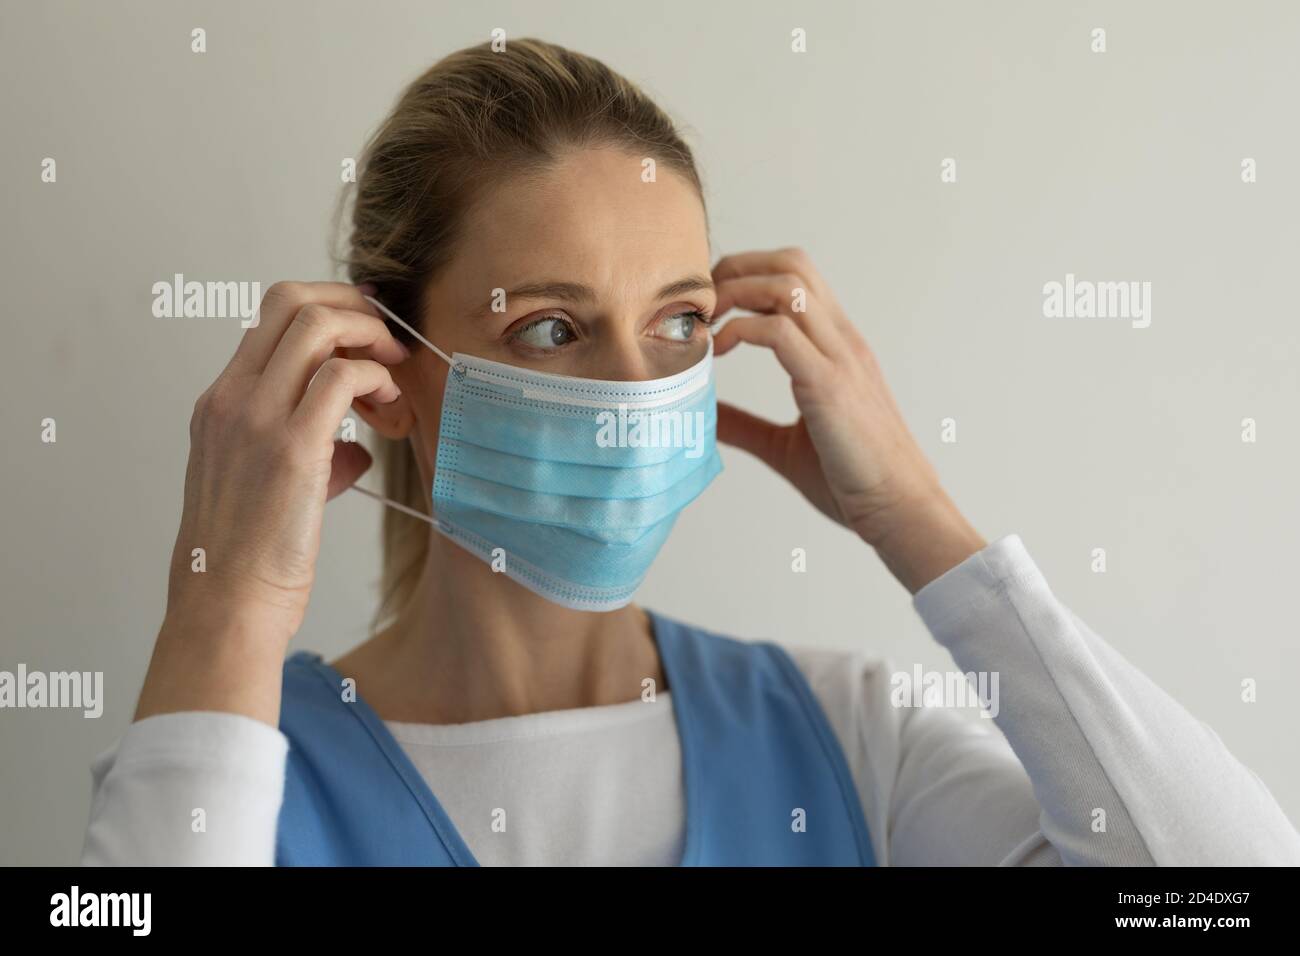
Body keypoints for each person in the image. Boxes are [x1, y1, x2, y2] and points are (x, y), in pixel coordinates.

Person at [80, 38, 1300, 866]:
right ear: (387, 370)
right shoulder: (237, 768)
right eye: (550, 327)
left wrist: (920, 523)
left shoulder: (848, 738)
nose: (632, 387)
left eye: (675, 322)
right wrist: (226, 606)